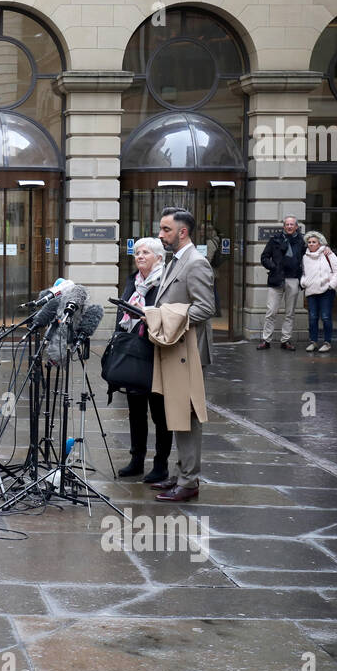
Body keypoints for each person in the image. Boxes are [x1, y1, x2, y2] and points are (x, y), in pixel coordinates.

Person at [149, 207, 214, 503]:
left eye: (166, 230)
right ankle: (183, 473)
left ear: (182, 232)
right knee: (176, 412)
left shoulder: (196, 263)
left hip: (187, 351)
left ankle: (189, 481)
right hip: (174, 349)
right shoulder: (176, 260)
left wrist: (166, 318)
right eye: (161, 229)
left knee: (187, 415)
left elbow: (205, 308)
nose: (161, 235)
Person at [116, 237, 172, 483]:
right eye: (137, 252)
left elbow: (170, 316)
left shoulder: (166, 283)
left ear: (158, 257)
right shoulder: (133, 281)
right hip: (133, 352)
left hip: (157, 353)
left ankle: (161, 464)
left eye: (145, 252)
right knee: (136, 410)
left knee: (160, 413)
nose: (139, 256)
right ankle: (136, 460)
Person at [258, 215, 306, 350]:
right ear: (284, 226)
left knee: (290, 313)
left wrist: (325, 249)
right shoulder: (275, 240)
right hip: (276, 279)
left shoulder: (302, 241)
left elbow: (311, 254)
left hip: (293, 279)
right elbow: (264, 257)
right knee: (271, 311)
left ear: (296, 227)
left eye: (292, 224)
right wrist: (273, 267)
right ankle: (266, 340)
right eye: (287, 224)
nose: (289, 226)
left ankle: (286, 341)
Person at [300, 230, 337, 353]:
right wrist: (304, 282)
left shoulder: (328, 254)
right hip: (311, 290)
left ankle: (327, 343)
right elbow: (303, 273)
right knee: (312, 318)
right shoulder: (305, 257)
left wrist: (331, 285)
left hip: (326, 291)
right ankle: (313, 342)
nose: (311, 244)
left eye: (314, 242)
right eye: (309, 242)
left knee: (325, 317)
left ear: (319, 243)